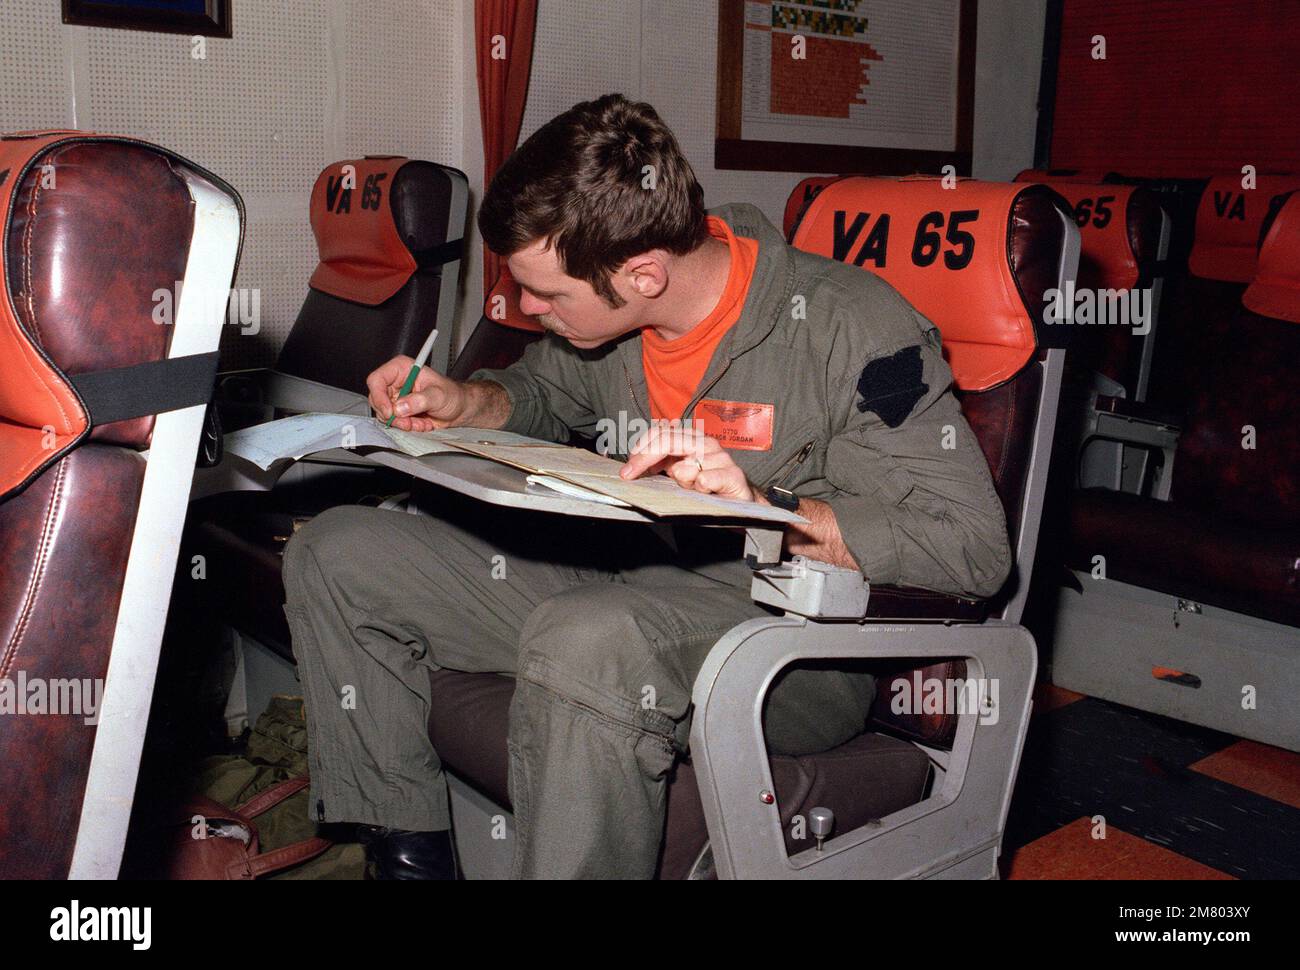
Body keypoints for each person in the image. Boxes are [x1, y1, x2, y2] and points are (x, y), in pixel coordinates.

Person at [281, 93, 1011, 879]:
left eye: (548, 293)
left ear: (645, 273)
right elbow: (537, 395)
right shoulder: (611, 325)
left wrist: (772, 511)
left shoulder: (852, 328)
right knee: (338, 552)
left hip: (783, 644)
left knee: (588, 638)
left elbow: (971, 549)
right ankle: (408, 861)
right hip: (621, 581)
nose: (527, 308)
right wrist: (462, 401)